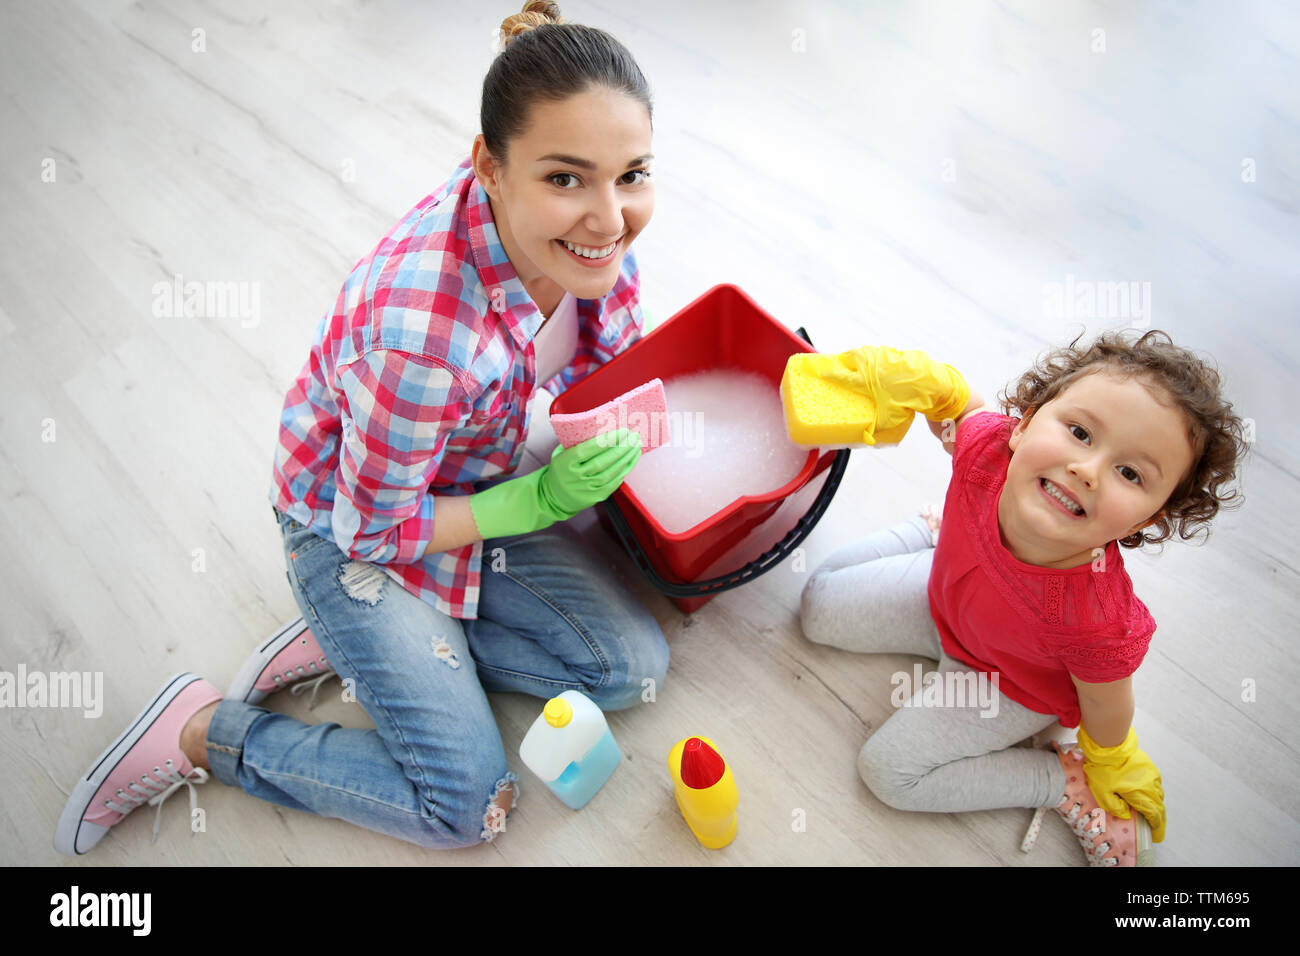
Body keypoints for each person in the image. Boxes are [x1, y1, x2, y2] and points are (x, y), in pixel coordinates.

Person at [55, 0, 669, 855]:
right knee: (468, 807)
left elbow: (610, 358)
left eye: (632, 173)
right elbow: (376, 527)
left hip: (461, 481)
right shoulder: (423, 340)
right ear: (488, 167)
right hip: (353, 527)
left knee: (632, 670)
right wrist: (535, 502)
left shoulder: (592, 245)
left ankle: (366, 648)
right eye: (566, 178)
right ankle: (202, 730)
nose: (611, 218)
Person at [798, 329, 1249, 865]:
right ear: (1026, 422)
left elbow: (1107, 701)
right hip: (942, 602)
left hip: (1008, 683)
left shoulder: (1097, 618)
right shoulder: (987, 450)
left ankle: (1061, 779)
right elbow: (957, 412)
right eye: (1080, 432)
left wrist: (1112, 758)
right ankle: (938, 532)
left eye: (1130, 472)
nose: (1088, 469)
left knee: (890, 774)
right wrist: (933, 387)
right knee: (818, 609)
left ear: (1147, 517)